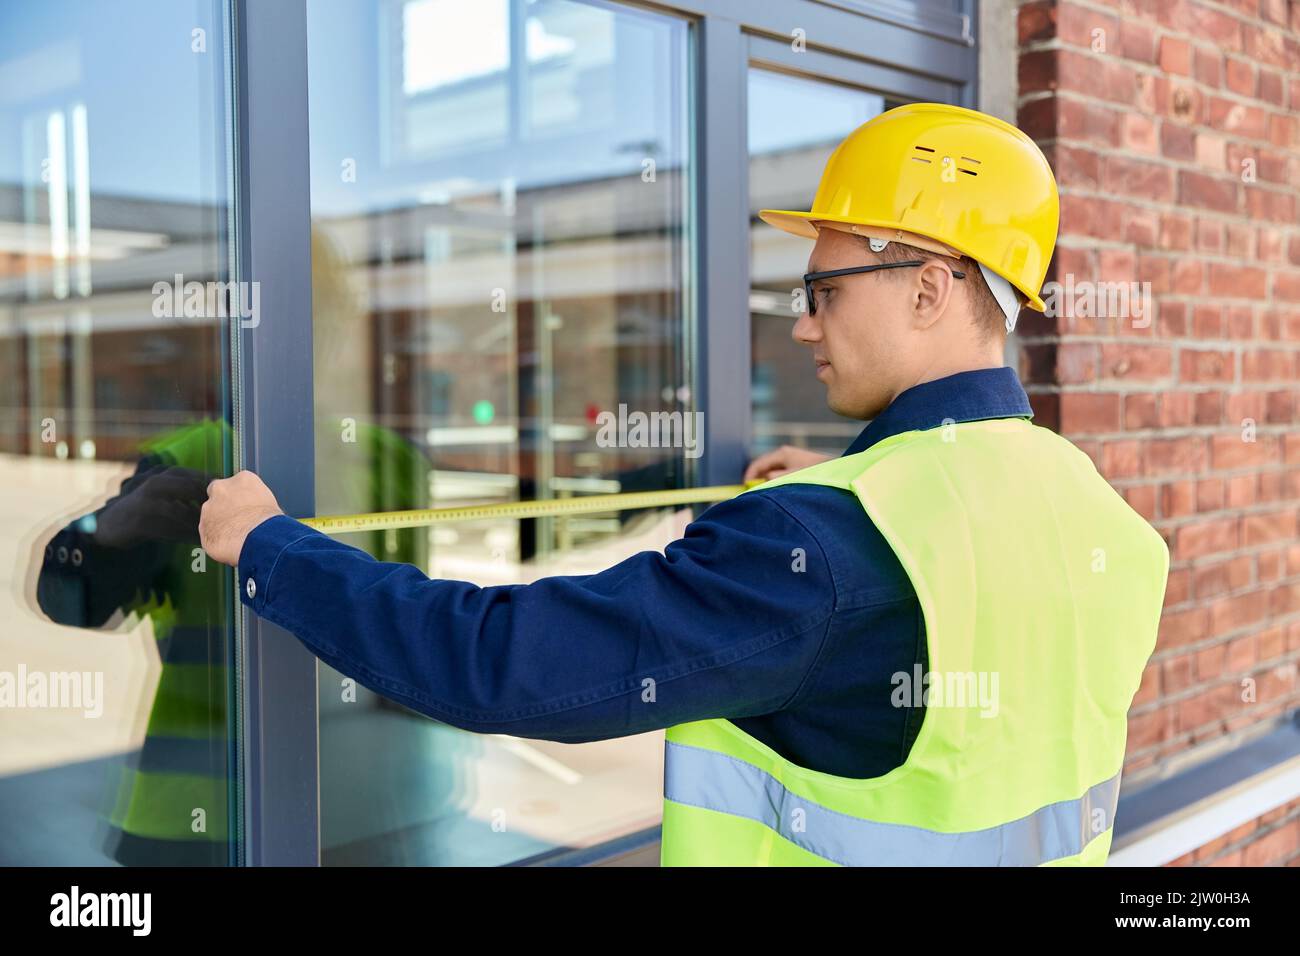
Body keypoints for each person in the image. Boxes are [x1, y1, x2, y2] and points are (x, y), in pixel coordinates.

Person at [198, 103, 1170, 866]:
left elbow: (503, 663)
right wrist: (846, 490)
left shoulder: (822, 544)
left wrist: (269, 542)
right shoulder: (1108, 526)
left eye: (820, 290)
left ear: (929, 288)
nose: (801, 324)